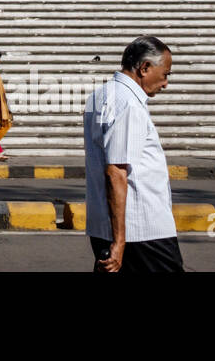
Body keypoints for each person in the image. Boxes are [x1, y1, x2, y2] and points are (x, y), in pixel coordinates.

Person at [83, 36, 181, 273]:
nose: (166, 83)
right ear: (145, 67)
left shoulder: (101, 94)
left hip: (109, 228)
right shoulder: (128, 103)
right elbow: (116, 171)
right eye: (165, 73)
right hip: (141, 232)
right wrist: (120, 242)